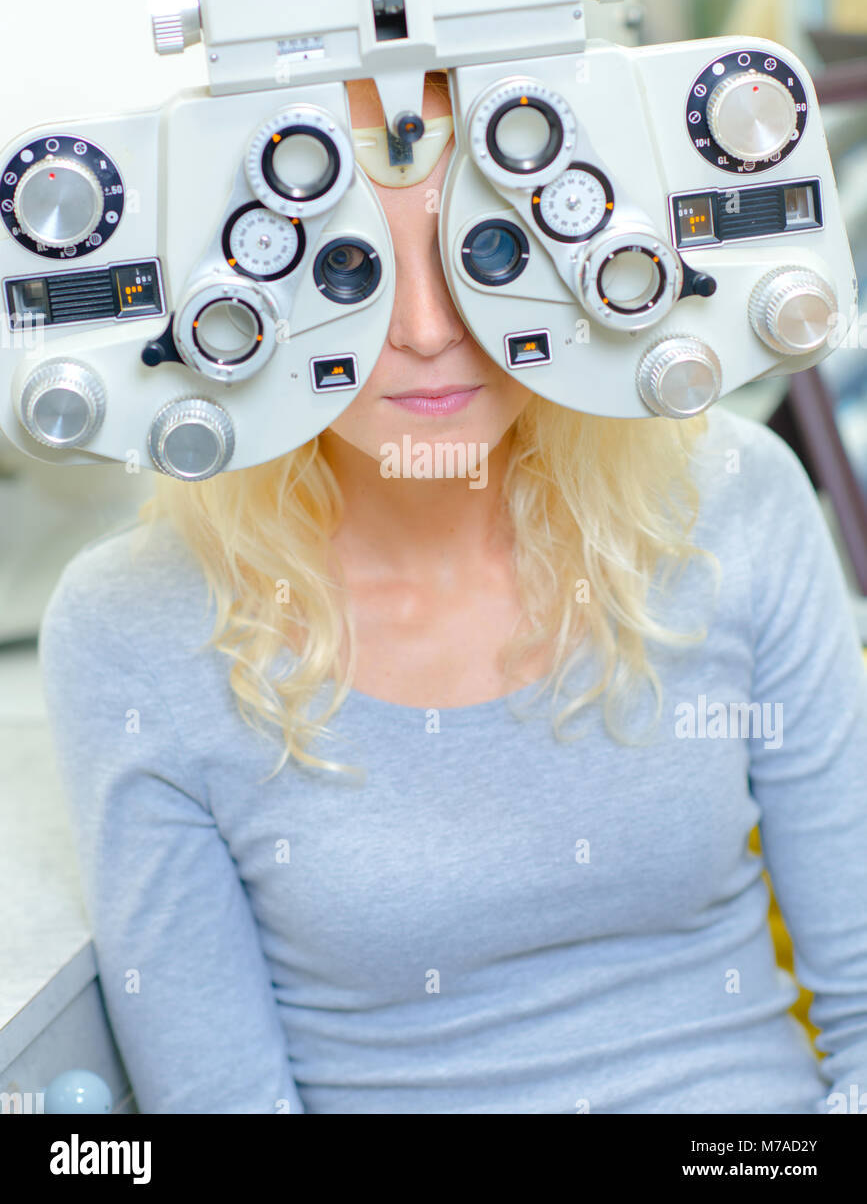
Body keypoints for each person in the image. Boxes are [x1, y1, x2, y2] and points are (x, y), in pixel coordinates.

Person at [38, 69, 867, 1114]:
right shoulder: (136, 625)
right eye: (352, 267)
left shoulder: (736, 500)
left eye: (486, 252)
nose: (429, 328)